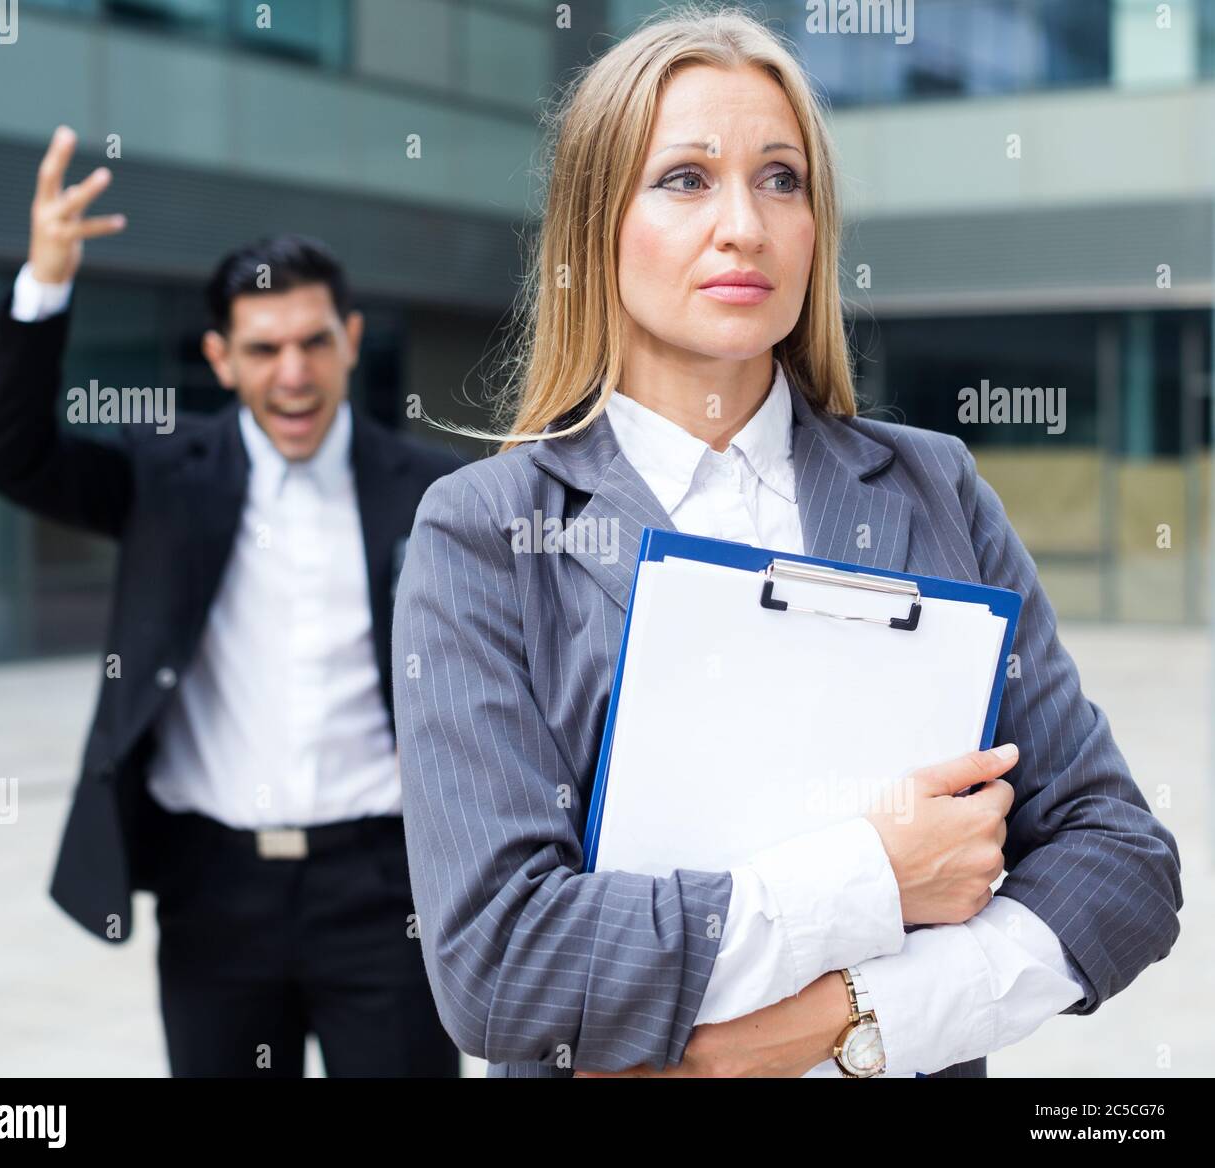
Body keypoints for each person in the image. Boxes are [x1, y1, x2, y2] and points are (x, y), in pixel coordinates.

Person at [390, 7, 1182, 1079]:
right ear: (594, 226)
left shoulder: (933, 485)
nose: (744, 227)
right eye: (684, 179)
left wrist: (850, 1020)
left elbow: (1123, 862)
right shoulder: (482, 532)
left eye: (780, 179)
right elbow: (501, 969)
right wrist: (872, 877)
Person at [0, 126, 462, 1078]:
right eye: (264, 348)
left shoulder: (435, 491)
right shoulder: (166, 478)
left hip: (387, 889)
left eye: (315, 342)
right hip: (214, 891)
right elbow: (7, 456)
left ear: (350, 340)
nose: (293, 373)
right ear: (221, 358)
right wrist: (45, 286)